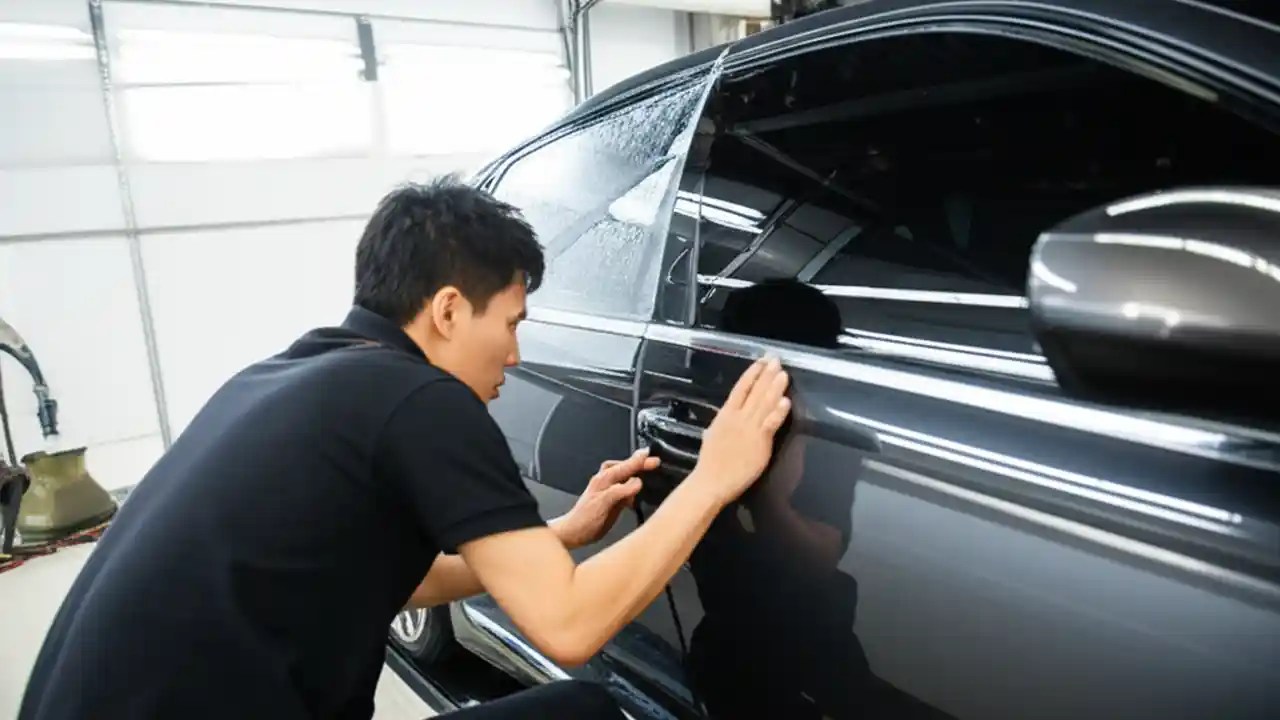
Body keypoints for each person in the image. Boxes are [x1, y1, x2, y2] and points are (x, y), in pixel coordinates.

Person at [18, 176, 791, 720]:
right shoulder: (421, 399)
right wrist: (712, 478)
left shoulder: (295, 373)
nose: (515, 356)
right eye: (512, 323)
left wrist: (560, 536)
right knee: (583, 711)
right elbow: (568, 627)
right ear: (450, 310)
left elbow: (395, 580)